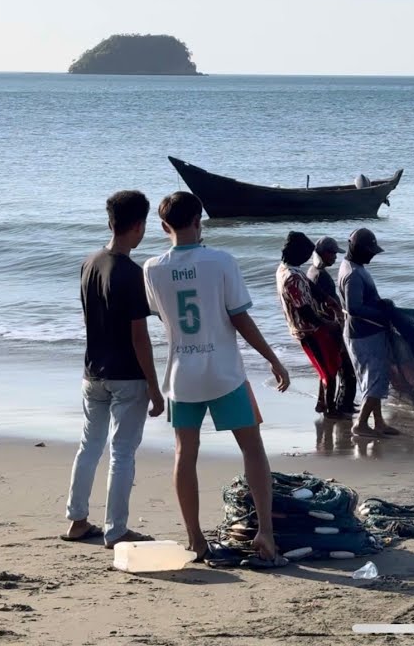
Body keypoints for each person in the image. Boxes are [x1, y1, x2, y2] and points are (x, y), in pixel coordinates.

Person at [143, 191, 291, 565]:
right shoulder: (222, 261)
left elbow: (164, 318)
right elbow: (239, 318)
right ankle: (265, 534)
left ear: (164, 227)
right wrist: (273, 359)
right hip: (224, 372)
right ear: (199, 220)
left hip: (182, 375)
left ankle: (195, 538)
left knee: (185, 454)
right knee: (252, 448)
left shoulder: (152, 268)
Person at [63, 190, 164, 548]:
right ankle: (116, 528)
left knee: (88, 446)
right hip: (127, 374)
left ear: (111, 222)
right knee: (122, 452)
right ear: (138, 226)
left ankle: (77, 519)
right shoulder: (133, 274)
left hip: (93, 370)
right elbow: (140, 337)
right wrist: (155, 386)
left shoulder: (89, 263)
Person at [275, 231, 350, 447]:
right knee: (330, 369)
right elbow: (306, 309)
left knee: (324, 366)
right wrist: (327, 324)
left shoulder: (285, 270)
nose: (309, 258)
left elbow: (310, 287)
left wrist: (326, 299)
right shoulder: (293, 278)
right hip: (308, 329)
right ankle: (330, 409)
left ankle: (321, 402)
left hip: (302, 326)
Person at [338, 227, 399, 438]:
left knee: (373, 379)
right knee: (375, 379)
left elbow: (363, 301)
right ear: (358, 249)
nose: (372, 254)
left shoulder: (352, 266)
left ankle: (379, 422)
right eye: (370, 251)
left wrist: (380, 303)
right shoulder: (353, 274)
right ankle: (361, 424)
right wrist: (383, 316)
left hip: (364, 333)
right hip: (364, 334)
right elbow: (354, 307)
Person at [306, 236, 357, 421]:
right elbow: (330, 304)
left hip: (319, 327)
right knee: (341, 370)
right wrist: (341, 326)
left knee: (326, 369)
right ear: (324, 253)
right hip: (329, 327)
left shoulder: (312, 271)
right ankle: (338, 408)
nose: (335, 257)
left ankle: (324, 403)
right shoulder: (322, 277)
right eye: (333, 253)